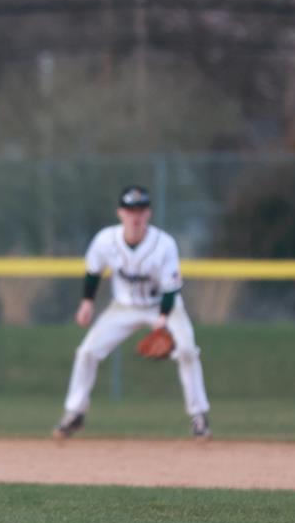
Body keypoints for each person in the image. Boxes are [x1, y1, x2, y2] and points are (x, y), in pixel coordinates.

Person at [53, 184, 211, 440]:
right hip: (123, 307)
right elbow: (94, 271)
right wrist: (87, 302)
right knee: (86, 352)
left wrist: (163, 318)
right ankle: (74, 413)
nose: (135, 216)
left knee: (186, 350)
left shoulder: (164, 244)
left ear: (148, 213)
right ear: (120, 213)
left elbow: (171, 287)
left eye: (140, 210)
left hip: (162, 306)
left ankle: (199, 415)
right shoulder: (106, 240)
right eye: (130, 210)